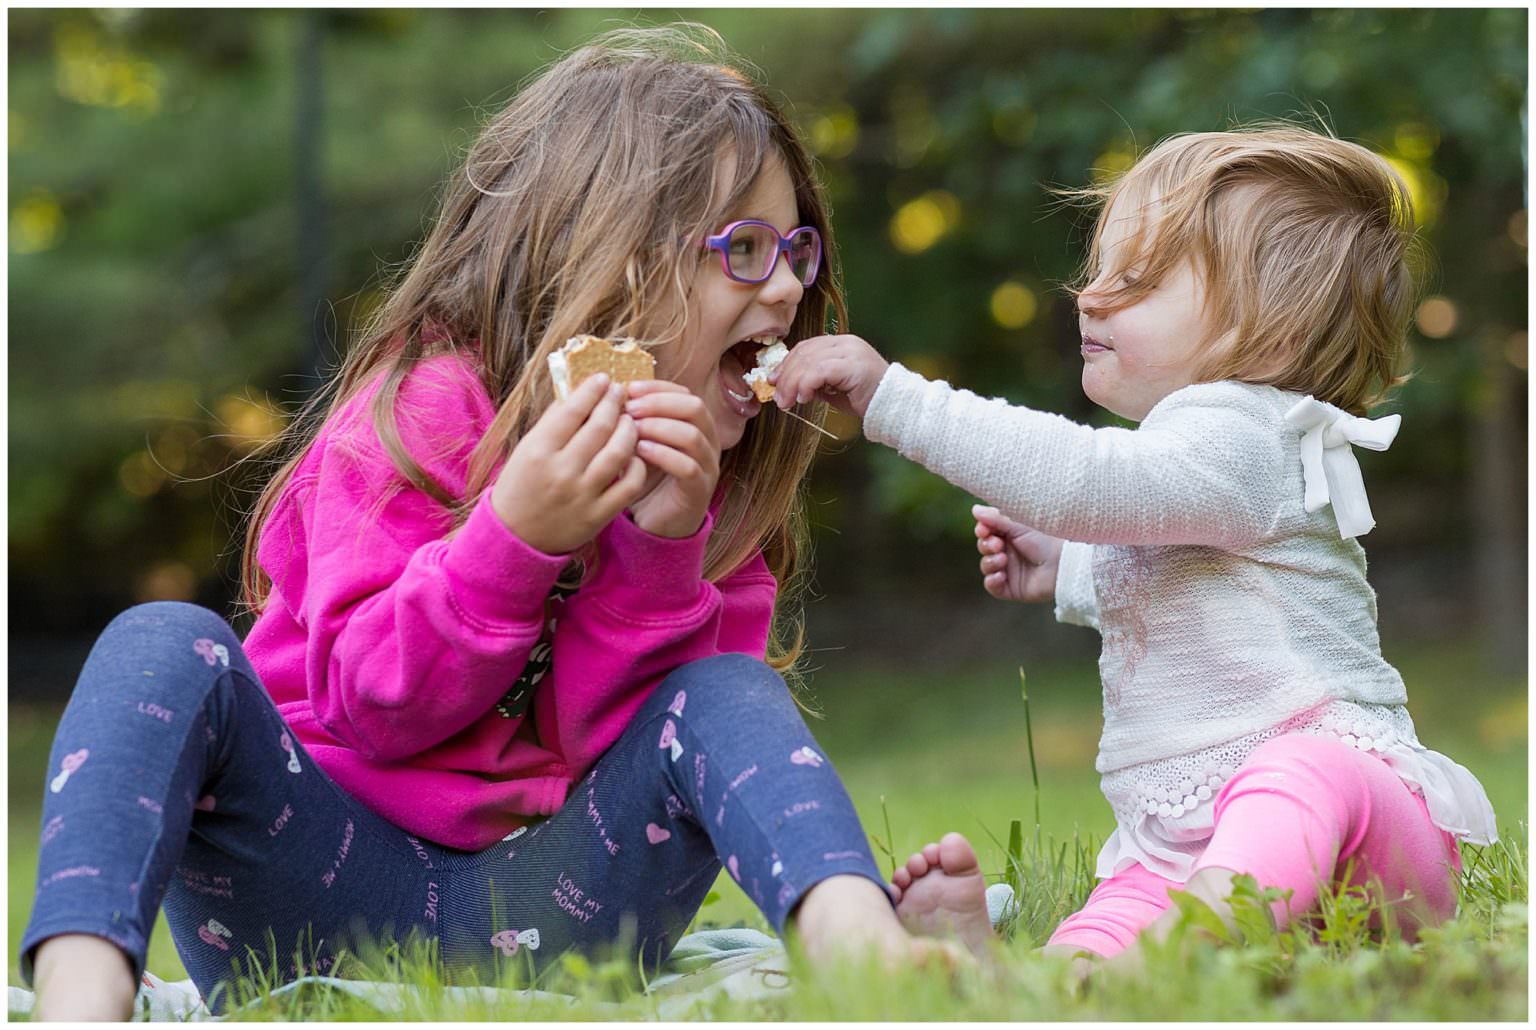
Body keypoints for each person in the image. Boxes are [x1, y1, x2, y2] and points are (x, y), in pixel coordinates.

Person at [21, 25, 957, 1021]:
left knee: (722, 688)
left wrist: (657, 557)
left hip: (556, 919)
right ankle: (83, 993)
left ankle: (863, 950)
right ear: (613, 262)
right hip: (304, 894)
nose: (786, 287)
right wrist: (515, 540)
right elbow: (375, 704)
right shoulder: (419, 416)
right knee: (162, 644)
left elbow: (625, 763)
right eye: (744, 249)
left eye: (796, 250)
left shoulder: (713, 509)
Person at [768, 125, 1499, 967]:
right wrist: (1070, 568)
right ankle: (1024, 978)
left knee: (1303, 771)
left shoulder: (1246, 429)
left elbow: (1091, 484)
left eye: (1137, 280)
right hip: (1195, 842)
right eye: (1099, 271)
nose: (1090, 294)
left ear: (1274, 334)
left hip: (1365, 837)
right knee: (1108, 928)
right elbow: (1175, 551)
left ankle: (1186, 949)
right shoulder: (1200, 457)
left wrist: (895, 401)